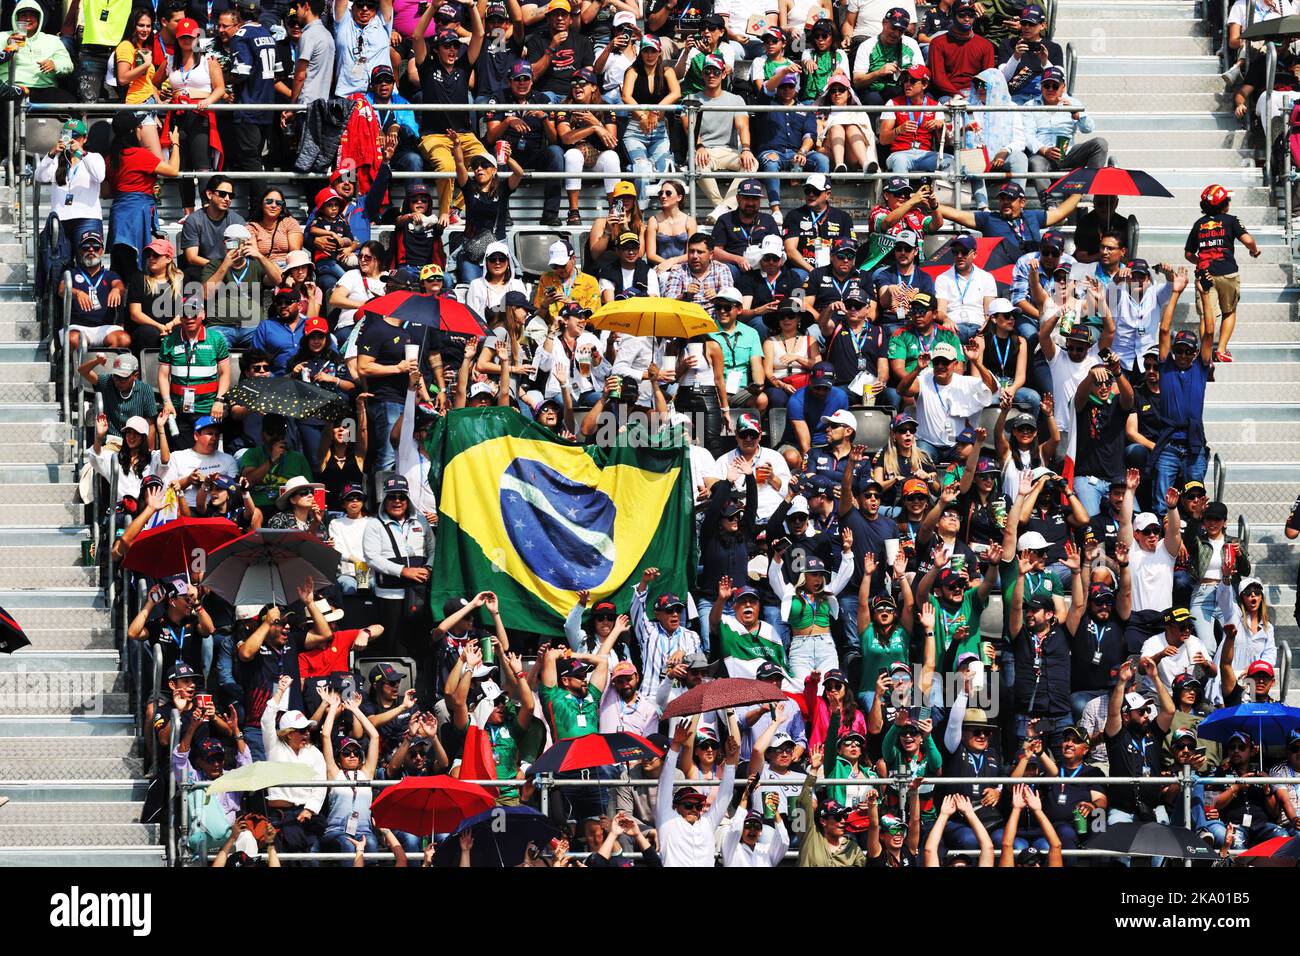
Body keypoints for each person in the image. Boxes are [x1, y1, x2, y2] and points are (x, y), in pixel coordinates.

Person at [412, 3, 489, 220]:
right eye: (447, 46)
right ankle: (444, 213)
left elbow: (480, 34)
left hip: (464, 134)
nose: (452, 50)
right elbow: (417, 37)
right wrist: (433, 7)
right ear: (437, 49)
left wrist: (472, 6)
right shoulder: (427, 66)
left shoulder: (464, 66)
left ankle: (456, 209)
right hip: (433, 135)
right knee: (447, 166)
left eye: (455, 46)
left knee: (487, 163)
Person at [484, 61, 565, 225]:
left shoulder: (542, 99)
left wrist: (544, 118)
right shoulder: (497, 98)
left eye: (526, 79)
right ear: (509, 81)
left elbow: (554, 139)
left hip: (533, 153)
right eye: (517, 79)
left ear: (532, 80)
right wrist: (507, 122)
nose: (522, 83)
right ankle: (501, 210)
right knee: (498, 149)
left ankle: (550, 214)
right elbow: (491, 138)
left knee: (556, 151)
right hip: (508, 154)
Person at [655, 719, 739, 866]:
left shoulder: (707, 823)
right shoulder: (668, 820)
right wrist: (675, 746)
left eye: (698, 806)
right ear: (676, 806)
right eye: (688, 805)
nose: (694, 809)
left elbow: (725, 795)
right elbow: (665, 783)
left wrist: (731, 759)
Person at [108, 113, 181, 279]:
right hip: (137, 215)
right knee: (137, 269)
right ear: (134, 131)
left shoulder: (110, 158)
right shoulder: (140, 155)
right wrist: (175, 143)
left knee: (119, 267)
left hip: (118, 216)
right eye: (139, 127)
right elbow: (173, 170)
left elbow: (106, 192)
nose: (142, 129)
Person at [361, 476, 435, 641]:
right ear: (385, 499)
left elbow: (433, 548)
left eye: (402, 497)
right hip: (391, 594)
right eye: (392, 496)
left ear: (407, 499)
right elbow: (371, 558)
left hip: (419, 592)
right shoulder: (374, 523)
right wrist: (403, 571)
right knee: (395, 642)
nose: (397, 501)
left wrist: (429, 567)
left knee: (419, 640)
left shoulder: (420, 520)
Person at [1024, 65, 1106, 207]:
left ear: (1063, 87)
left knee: (1100, 143)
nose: (1050, 89)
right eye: (1046, 85)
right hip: (1044, 155)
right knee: (1035, 162)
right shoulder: (1029, 106)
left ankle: (1088, 191)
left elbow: (1089, 129)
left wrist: (1077, 115)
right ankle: (1048, 202)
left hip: (1068, 154)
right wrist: (1044, 150)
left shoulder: (1073, 103)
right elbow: (1027, 135)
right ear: (1041, 87)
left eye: (1054, 85)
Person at [755, 71, 830, 221]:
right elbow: (766, 89)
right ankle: (775, 210)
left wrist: (803, 152)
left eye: (790, 85)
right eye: (783, 86)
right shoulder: (767, 103)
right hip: (773, 151)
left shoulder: (805, 108)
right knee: (771, 161)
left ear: (796, 87)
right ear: (778, 87)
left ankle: (818, 203)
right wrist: (783, 72)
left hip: (798, 153)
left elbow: (810, 135)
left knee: (822, 160)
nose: (787, 89)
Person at [620, 35, 681, 208]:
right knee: (642, 168)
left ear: (659, 52)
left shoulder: (667, 71)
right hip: (635, 131)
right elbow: (626, 95)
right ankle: (641, 206)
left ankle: (662, 208)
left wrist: (654, 111)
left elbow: (676, 93)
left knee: (664, 168)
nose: (649, 55)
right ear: (641, 53)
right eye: (646, 50)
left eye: (653, 50)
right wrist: (644, 115)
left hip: (660, 130)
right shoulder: (633, 71)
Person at [451, 139, 523, 283]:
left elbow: (519, 173)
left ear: (494, 170)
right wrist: (458, 146)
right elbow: (459, 165)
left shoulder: (503, 189)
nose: (479, 169)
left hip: (497, 252)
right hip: (471, 251)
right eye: (476, 166)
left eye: (484, 165)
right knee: (472, 284)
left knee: (499, 287)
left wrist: (508, 159)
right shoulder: (469, 188)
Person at [219, 5, 281, 172]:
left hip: (248, 107)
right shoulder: (267, 33)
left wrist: (220, 78)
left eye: (224, 26)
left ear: (238, 12)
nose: (220, 30)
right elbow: (278, 72)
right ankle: (264, 197)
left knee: (250, 160)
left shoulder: (241, 36)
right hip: (267, 106)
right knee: (259, 158)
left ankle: (260, 199)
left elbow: (241, 73)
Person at [878, 64, 952, 174]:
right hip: (900, 153)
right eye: (905, 80)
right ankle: (901, 191)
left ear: (924, 85)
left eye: (912, 81)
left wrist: (940, 127)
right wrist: (899, 130)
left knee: (951, 161)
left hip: (925, 155)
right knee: (900, 161)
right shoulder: (893, 103)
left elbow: (945, 143)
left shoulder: (936, 105)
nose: (907, 84)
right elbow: (883, 140)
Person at [782, 172, 855, 281]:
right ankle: (798, 298)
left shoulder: (843, 217)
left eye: (815, 191)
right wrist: (813, 271)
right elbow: (790, 250)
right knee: (797, 277)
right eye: (807, 191)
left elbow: (849, 251)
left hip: (834, 270)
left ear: (828, 194)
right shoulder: (794, 215)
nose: (810, 195)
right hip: (804, 270)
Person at [926, 0, 994, 99]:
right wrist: (956, 95)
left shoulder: (986, 45)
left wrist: (977, 96)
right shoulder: (938, 43)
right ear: (953, 16)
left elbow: (988, 77)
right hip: (947, 94)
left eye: (971, 15)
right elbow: (938, 78)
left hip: (975, 94)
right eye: (962, 15)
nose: (967, 19)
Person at [647, 180, 697, 273]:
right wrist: (668, 265)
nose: (663, 196)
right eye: (661, 193)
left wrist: (672, 262)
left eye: (668, 193)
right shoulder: (654, 221)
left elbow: (691, 253)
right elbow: (650, 255)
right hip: (661, 268)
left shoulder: (689, 221)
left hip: (684, 268)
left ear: (679, 197)